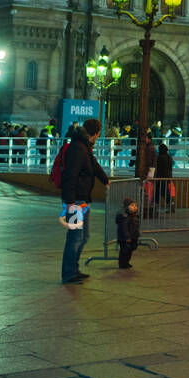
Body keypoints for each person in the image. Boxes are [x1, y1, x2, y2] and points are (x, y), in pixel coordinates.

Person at [59, 118, 110, 285]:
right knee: (75, 237)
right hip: (75, 201)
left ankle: (74, 269)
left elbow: (94, 166)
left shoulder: (84, 147)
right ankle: (68, 273)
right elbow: (70, 175)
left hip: (82, 200)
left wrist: (105, 180)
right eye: (98, 134)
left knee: (83, 236)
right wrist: (69, 201)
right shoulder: (78, 148)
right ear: (95, 134)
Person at [115, 197, 140, 268]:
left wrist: (136, 235)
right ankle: (122, 263)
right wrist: (127, 237)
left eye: (135, 205)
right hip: (125, 238)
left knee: (130, 251)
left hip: (132, 237)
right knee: (124, 251)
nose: (134, 207)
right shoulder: (124, 217)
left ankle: (126, 262)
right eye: (132, 205)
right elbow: (124, 228)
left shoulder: (134, 216)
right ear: (126, 207)